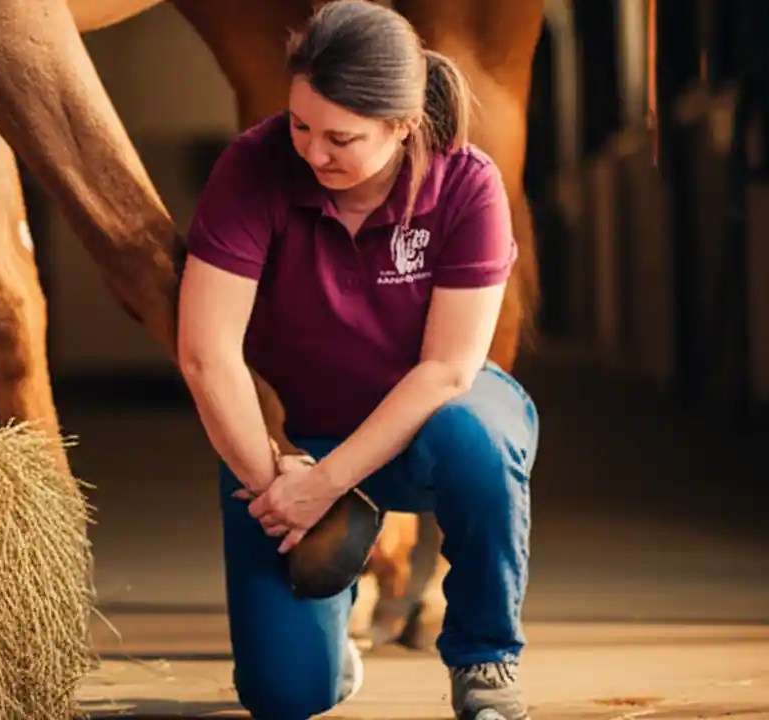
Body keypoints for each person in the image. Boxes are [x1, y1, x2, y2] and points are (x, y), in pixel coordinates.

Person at [176, 1, 540, 718]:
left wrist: (330, 485)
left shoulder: (467, 184)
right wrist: (278, 487)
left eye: (340, 137)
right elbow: (205, 352)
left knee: (478, 438)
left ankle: (485, 661)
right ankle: (328, 631)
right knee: (284, 696)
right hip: (295, 445)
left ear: (403, 126)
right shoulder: (255, 164)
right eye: (301, 125)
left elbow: (447, 371)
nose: (312, 153)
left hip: (431, 423)